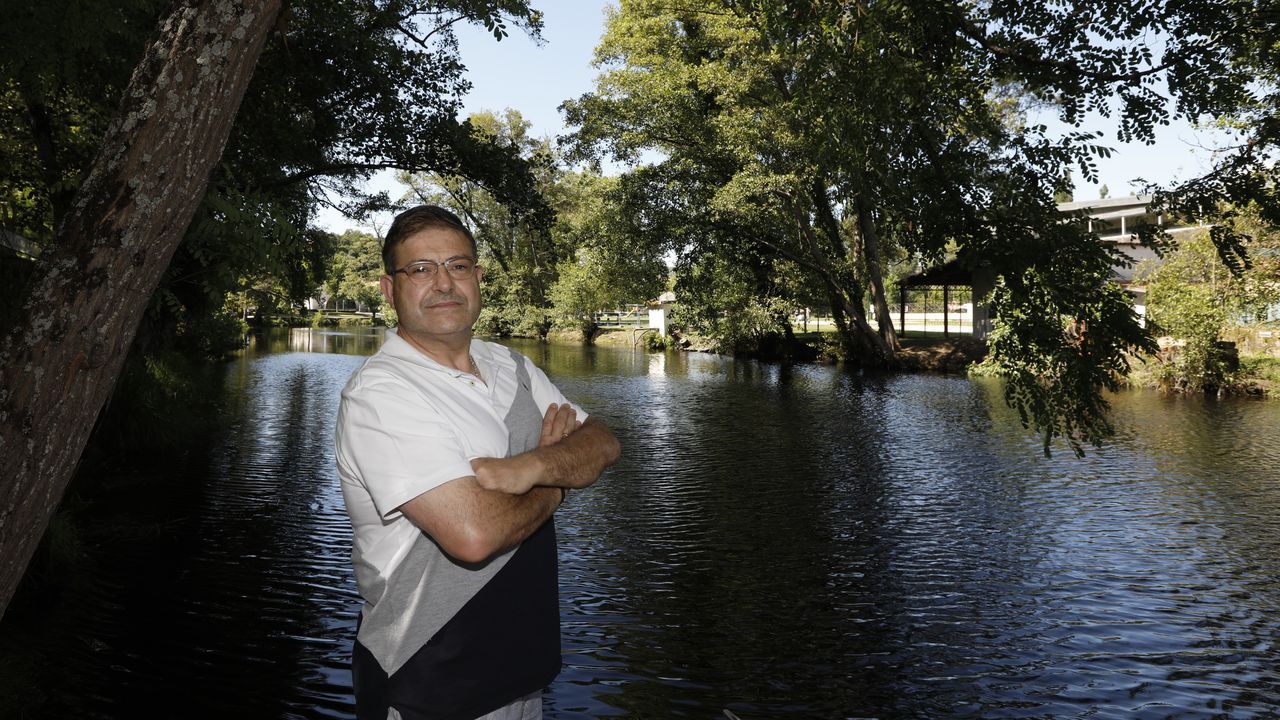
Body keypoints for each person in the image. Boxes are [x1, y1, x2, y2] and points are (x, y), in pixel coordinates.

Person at [334, 205, 620, 720]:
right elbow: (474, 536)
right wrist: (557, 481)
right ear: (388, 289)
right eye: (421, 269)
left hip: (520, 681)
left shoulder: (510, 364)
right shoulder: (381, 393)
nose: (443, 283)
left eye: (458, 266)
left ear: (479, 278)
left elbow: (601, 442)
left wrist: (528, 468)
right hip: (428, 684)